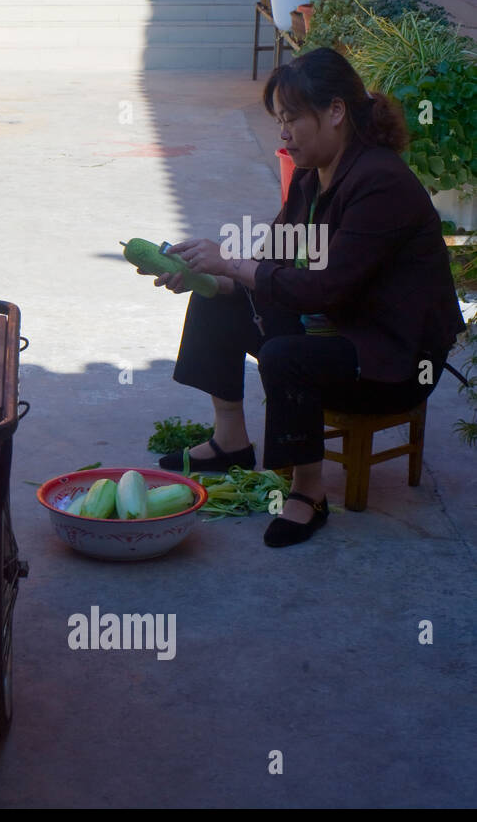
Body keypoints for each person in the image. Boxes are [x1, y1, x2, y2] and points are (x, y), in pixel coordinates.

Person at [148, 47, 466, 548]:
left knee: (286, 355)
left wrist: (231, 263)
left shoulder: (380, 182)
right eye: (280, 119)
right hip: (337, 325)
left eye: (292, 118)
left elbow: (326, 286)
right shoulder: (311, 177)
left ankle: (308, 493)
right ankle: (231, 440)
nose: (283, 132)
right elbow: (270, 263)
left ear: (336, 112)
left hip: (393, 358)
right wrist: (207, 273)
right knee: (218, 296)